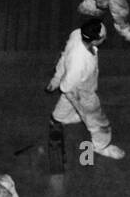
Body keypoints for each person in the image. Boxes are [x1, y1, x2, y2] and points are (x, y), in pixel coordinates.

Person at [47, 19, 125, 159]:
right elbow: (67, 87)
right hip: (81, 92)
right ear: (95, 41)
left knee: (67, 98)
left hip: (72, 83)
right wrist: (67, 87)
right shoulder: (80, 63)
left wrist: (57, 78)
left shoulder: (76, 34)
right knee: (97, 120)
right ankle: (101, 145)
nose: (105, 38)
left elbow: (65, 57)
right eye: (103, 37)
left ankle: (59, 118)